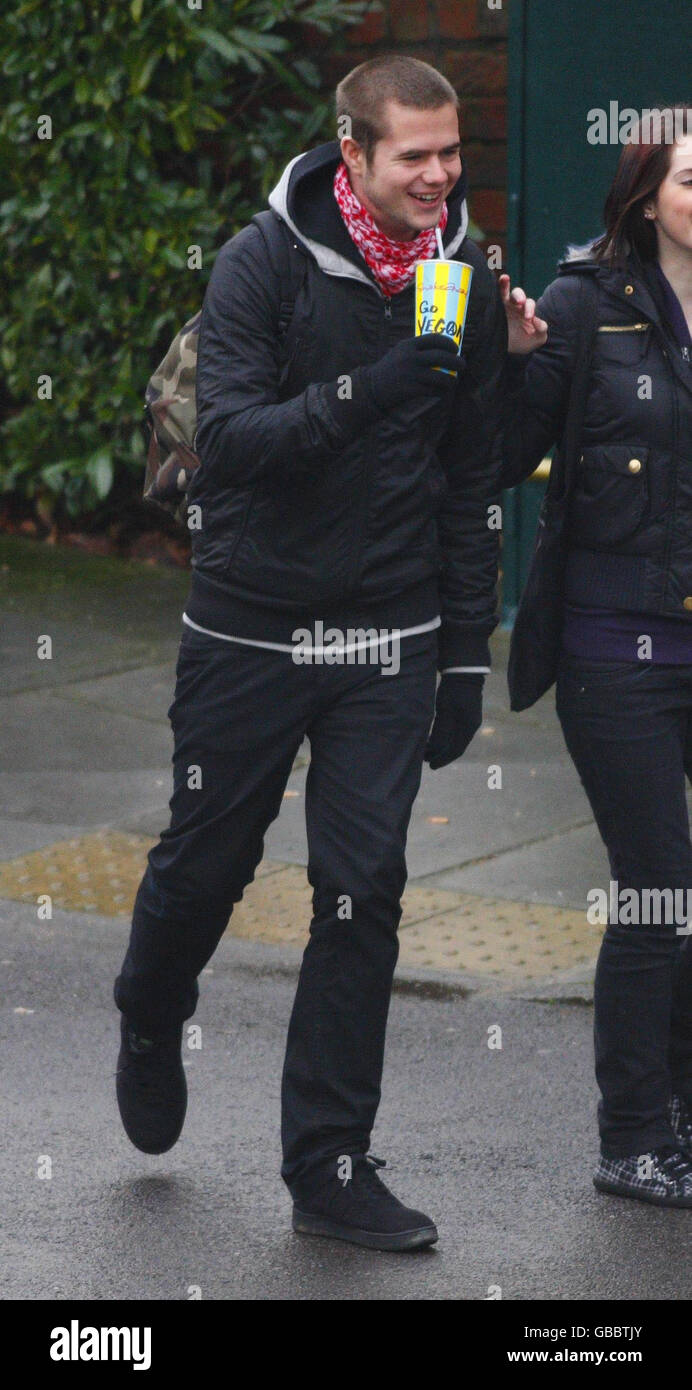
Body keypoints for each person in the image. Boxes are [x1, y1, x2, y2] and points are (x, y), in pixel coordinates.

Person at [113, 54, 508, 1251]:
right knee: (208, 859)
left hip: (389, 634)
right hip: (250, 624)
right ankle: (149, 1002)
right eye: (414, 157)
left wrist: (459, 655)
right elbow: (228, 443)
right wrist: (372, 385)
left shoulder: (463, 276)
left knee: (361, 888)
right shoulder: (261, 266)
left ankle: (329, 1162)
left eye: (451, 154)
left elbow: (471, 477)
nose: (439, 176)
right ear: (352, 152)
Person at [501, 107, 692, 1207]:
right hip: (613, 648)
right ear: (644, 194)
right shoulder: (580, 303)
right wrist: (507, 362)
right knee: (659, 889)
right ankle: (630, 1134)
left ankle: (678, 1107)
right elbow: (504, 452)